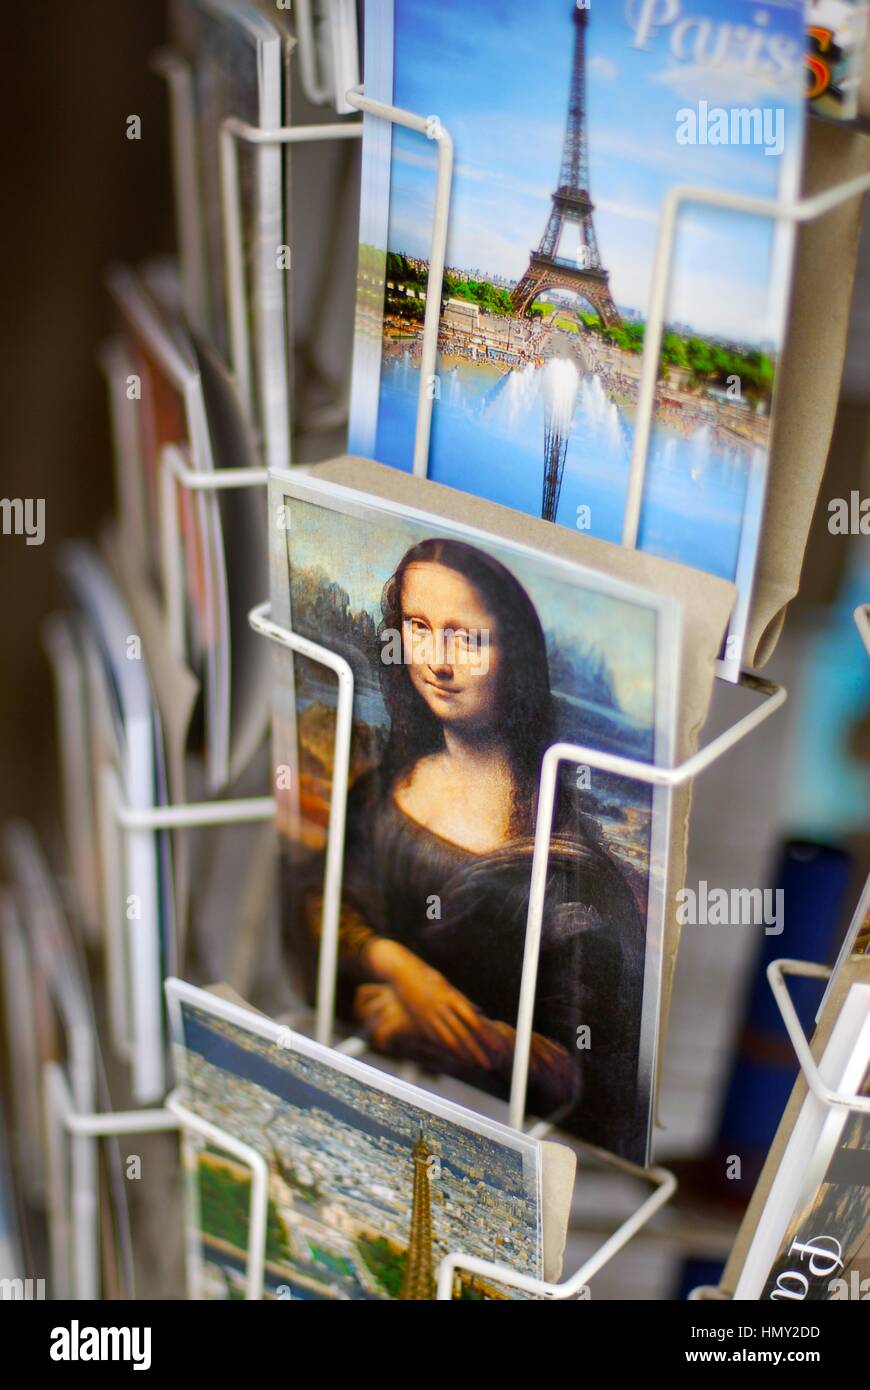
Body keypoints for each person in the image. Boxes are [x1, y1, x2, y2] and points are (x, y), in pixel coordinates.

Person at [284, 537, 647, 1155]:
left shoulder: (572, 878)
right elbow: (323, 899)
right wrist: (400, 969)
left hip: (515, 1144)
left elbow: (584, 1074)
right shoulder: (384, 788)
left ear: (521, 658)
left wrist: (443, 1031)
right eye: (418, 628)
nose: (438, 661)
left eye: (469, 638)